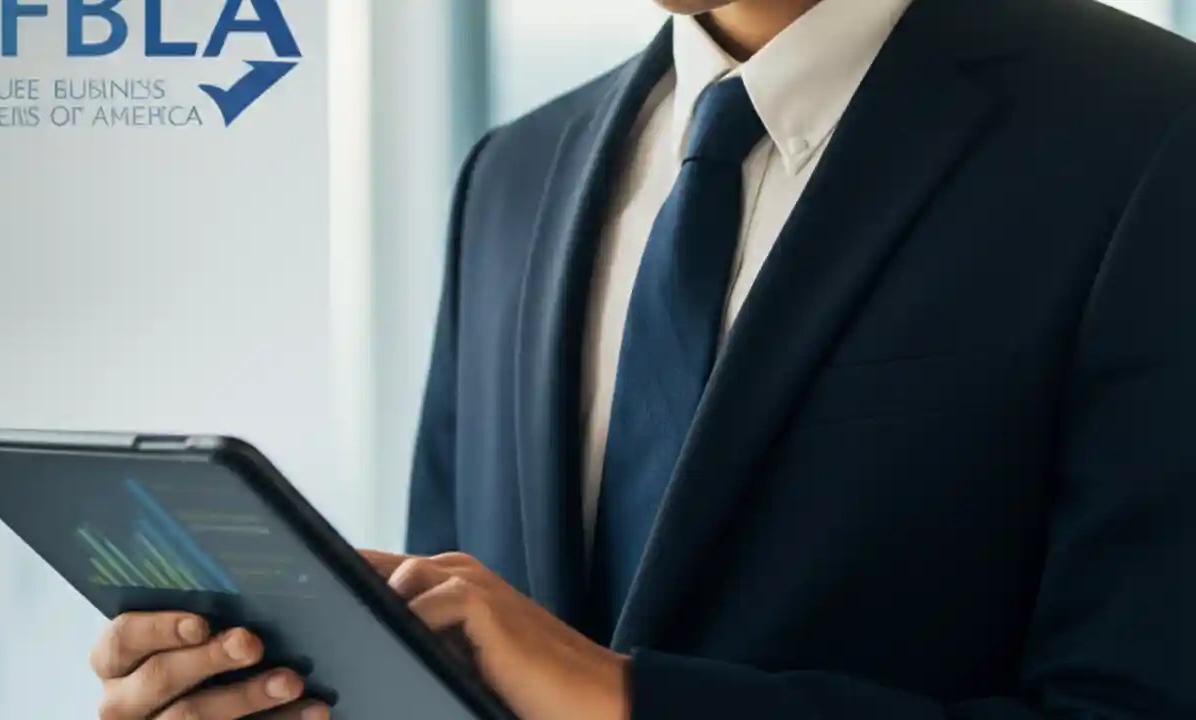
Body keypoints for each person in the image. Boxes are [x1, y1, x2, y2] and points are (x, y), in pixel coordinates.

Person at [88, 0, 1196, 717]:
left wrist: (621, 698)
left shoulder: (1148, 131)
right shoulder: (511, 179)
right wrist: (291, 691)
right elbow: (454, 677)